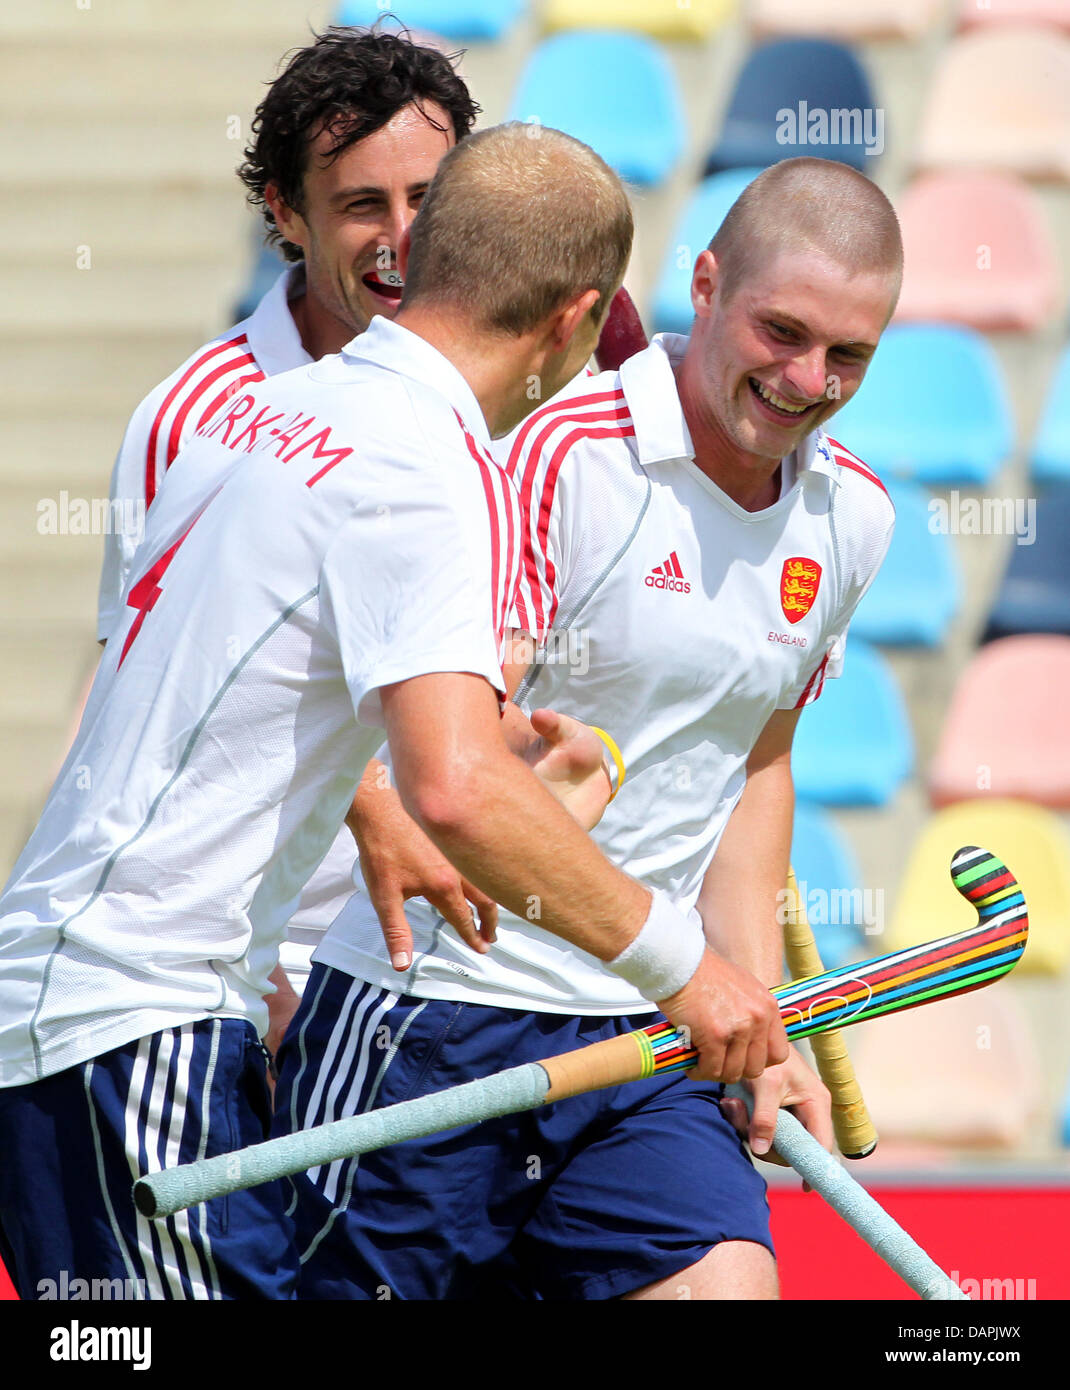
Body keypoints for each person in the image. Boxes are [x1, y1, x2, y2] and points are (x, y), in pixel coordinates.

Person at [0, 123, 786, 1303]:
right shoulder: (427, 459)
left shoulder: (260, 408)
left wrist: (490, 751)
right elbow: (455, 791)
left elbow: (252, 697)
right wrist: (689, 970)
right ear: (575, 318)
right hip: (131, 1022)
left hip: (116, 1009)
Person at [273, 156, 901, 1301]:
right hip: (442, 1013)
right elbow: (459, 746)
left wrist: (748, 1009)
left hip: (643, 1033)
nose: (808, 380)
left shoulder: (851, 515)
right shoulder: (555, 450)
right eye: (782, 332)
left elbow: (755, 767)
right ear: (703, 285)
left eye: (847, 354)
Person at [94, 28, 481, 1002]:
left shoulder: (508, 404)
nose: (402, 236)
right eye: (361, 205)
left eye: (427, 199)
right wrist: (377, 809)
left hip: (476, 975)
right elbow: (163, 684)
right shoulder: (194, 417)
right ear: (286, 212)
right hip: (272, 962)